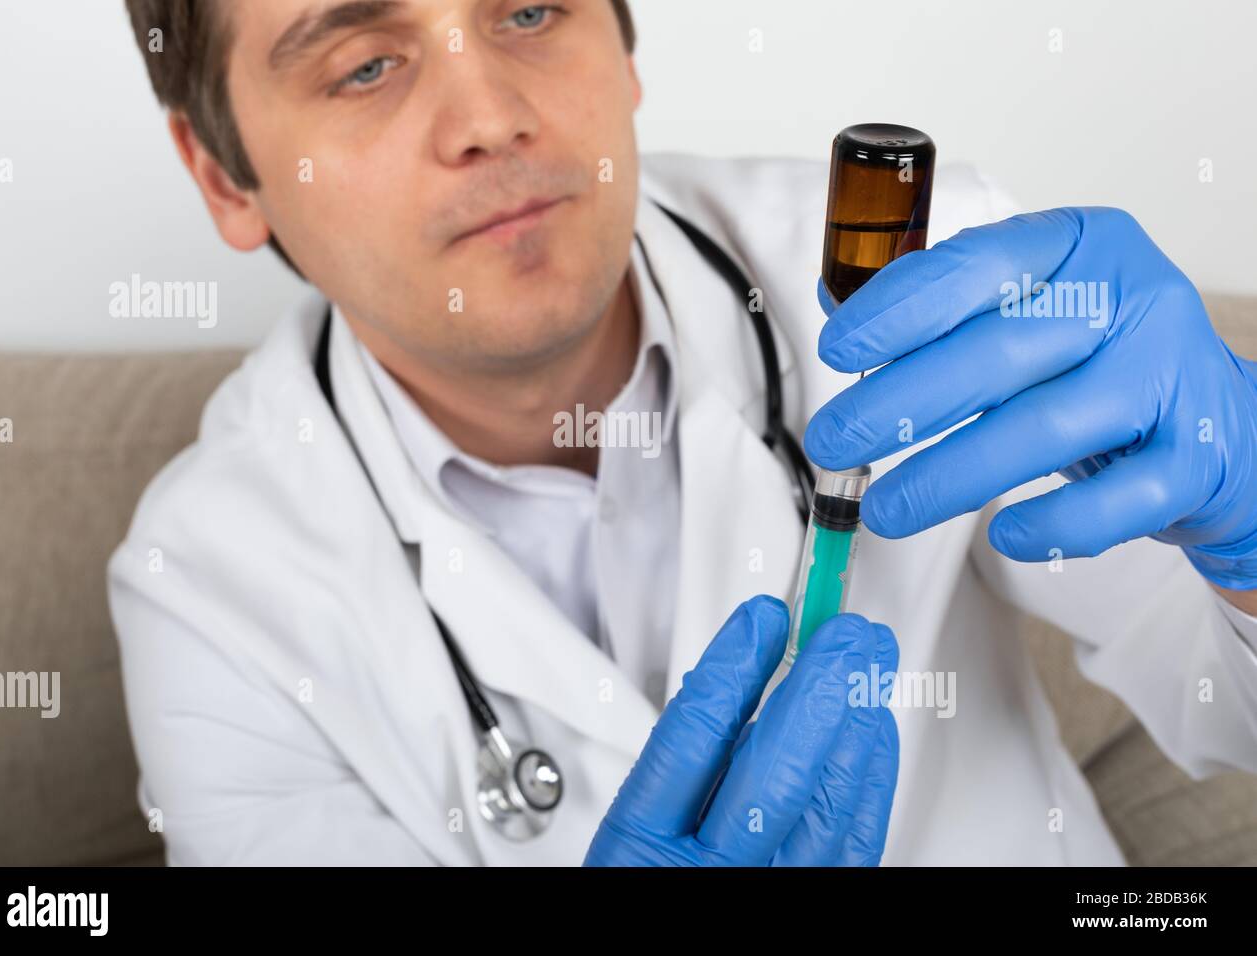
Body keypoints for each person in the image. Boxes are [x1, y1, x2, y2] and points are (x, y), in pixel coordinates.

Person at [109, 0, 1257, 865]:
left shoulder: (924, 278)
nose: (490, 117)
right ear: (224, 175)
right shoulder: (211, 587)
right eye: (364, 63)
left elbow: (1228, 710)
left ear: (625, 44)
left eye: (528, 9)